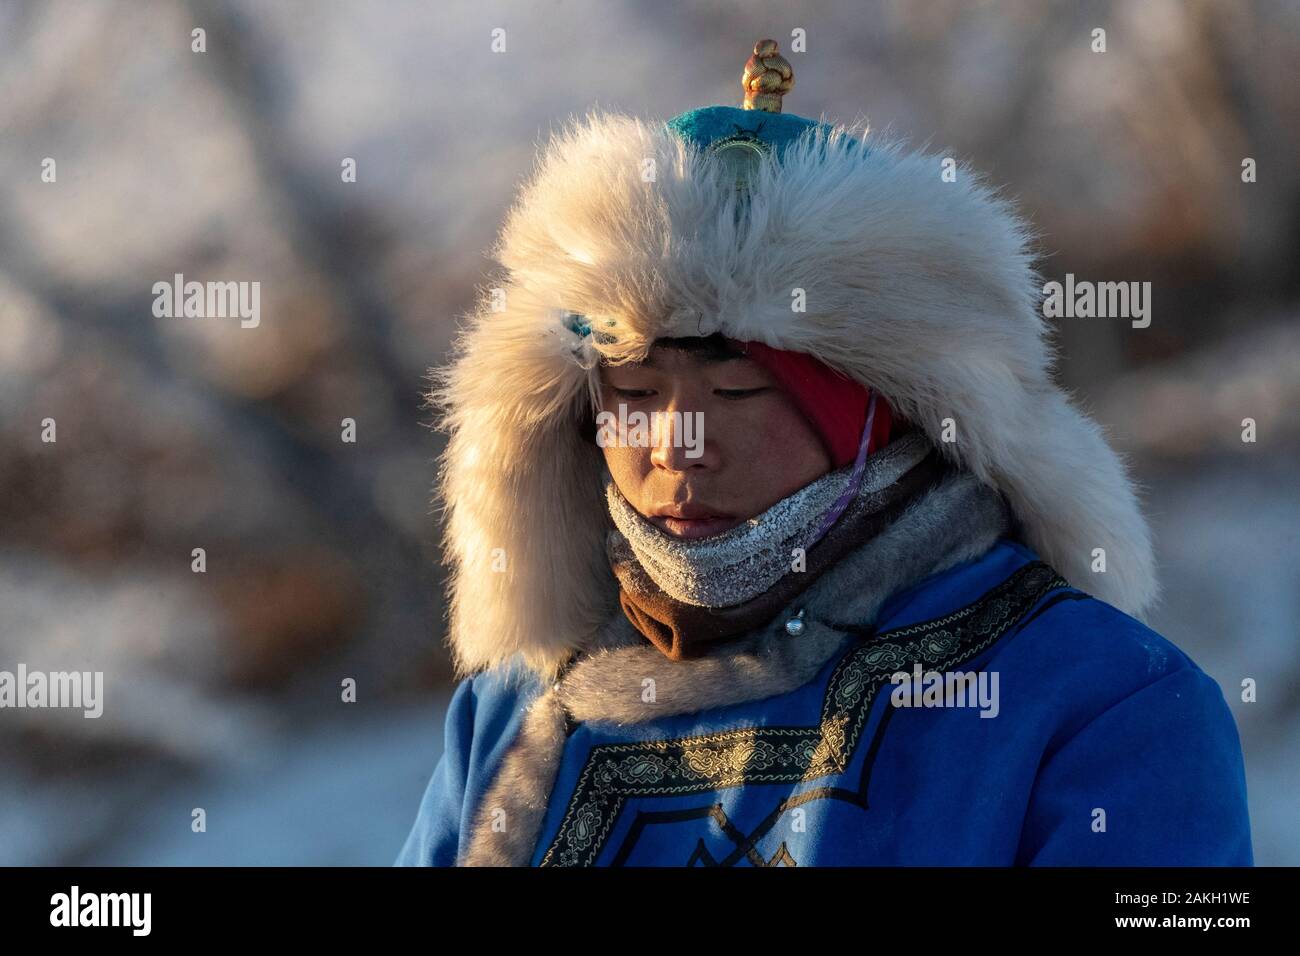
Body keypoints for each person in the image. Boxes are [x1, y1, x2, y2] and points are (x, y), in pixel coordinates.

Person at [395, 40, 1252, 867]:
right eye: (636, 393)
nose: (679, 447)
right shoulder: (512, 715)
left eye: (740, 393)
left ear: (878, 415)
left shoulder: (1099, 702)